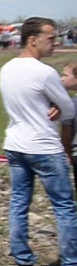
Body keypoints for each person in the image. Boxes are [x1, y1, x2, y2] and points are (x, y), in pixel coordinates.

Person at [0, 17, 76, 266]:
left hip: (16, 145)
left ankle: (23, 263)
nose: (54, 43)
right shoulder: (44, 73)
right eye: (51, 38)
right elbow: (68, 110)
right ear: (33, 40)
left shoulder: (6, 69)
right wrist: (56, 105)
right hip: (44, 147)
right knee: (64, 207)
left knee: (19, 204)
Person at [62, 62, 77, 192]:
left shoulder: (71, 105)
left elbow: (66, 137)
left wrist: (69, 154)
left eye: (65, 75)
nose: (62, 79)